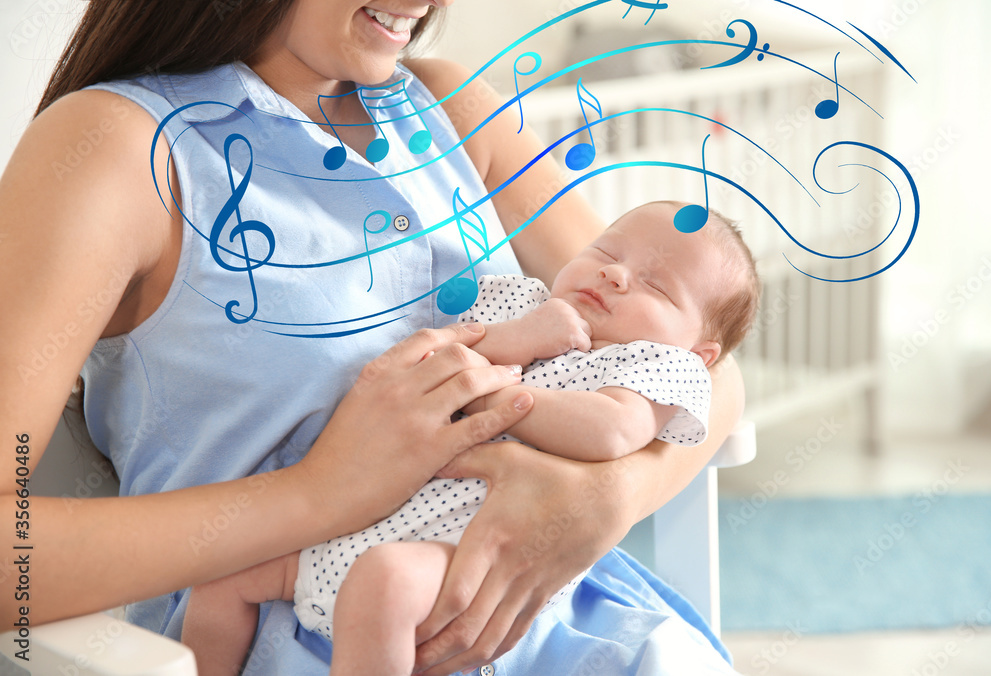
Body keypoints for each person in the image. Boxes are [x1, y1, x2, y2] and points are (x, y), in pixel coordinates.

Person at [0, 1, 747, 674]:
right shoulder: (118, 146)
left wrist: (605, 497)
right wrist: (314, 496)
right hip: (291, 630)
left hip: (550, 621)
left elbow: (703, 362)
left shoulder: (453, 107)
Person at [181, 200, 760, 676]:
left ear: (700, 351)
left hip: (465, 555)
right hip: (357, 525)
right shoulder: (520, 303)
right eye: (606, 252)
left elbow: (610, 431)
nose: (615, 274)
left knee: (384, 583)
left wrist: (491, 399)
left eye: (656, 286)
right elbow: (430, 364)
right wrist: (519, 337)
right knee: (223, 572)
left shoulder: (654, 366)